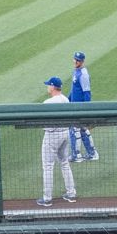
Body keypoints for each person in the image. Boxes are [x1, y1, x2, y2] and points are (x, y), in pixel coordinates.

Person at [37, 77, 76, 208]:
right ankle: (71, 194)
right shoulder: (66, 99)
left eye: (48, 85)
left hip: (52, 136)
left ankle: (47, 199)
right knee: (65, 163)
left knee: (48, 166)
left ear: (53, 87)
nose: (47, 87)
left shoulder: (48, 102)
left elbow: (42, 122)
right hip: (65, 134)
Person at [68, 52, 98, 162]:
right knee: (82, 130)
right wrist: (68, 99)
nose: (76, 61)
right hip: (74, 105)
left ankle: (76, 155)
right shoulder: (76, 71)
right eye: (75, 59)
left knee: (73, 129)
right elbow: (74, 89)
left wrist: (87, 109)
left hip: (79, 107)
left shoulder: (84, 74)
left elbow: (87, 93)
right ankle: (92, 153)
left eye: (78, 60)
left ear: (82, 61)